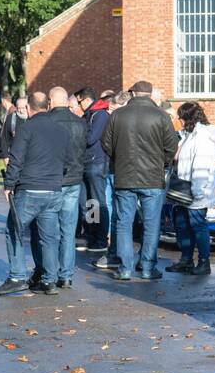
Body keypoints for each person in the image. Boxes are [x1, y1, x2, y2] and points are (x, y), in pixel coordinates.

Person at [0, 91, 80, 296]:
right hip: (53, 191)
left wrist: (8, 185)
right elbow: (70, 160)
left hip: (30, 189)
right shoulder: (61, 130)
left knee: (14, 229)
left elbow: (15, 159)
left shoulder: (26, 129)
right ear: (47, 105)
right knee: (49, 237)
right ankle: (49, 280)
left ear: (29, 108)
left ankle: (17, 276)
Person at [102, 80, 177, 282]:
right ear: (149, 94)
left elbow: (106, 144)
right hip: (152, 178)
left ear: (133, 93)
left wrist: (119, 161)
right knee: (151, 224)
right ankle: (146, 267)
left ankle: (125, 268)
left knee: (124, 223)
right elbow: (172, 146)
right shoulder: (161, 116)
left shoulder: (118, 115)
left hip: (124, 176)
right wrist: (162, 164)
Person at [29, 87, 86, 291]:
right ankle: (66, 275)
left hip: (50, 181)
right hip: (73, 181)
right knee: (68, 231)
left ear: (51, 101)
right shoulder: (81, 122)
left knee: (47, 232)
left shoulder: (46, 122)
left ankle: (47, 272)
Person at [167, 103, 215, 277]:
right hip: (184, 191)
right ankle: (186, 259)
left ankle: (204, 262)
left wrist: (198, 192)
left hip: (197, 191)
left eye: (181, 116)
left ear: (188, 118)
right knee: (182, 225)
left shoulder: (202, 137)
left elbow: (201, 166)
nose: (179, 120)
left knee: (198, 226)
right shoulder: (188, 135)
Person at [93, 91, 131, 272]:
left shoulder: (111, 119)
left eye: (113, 107)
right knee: (103, 206)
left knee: (114, 213)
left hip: (112, 169)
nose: (109, 109)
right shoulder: (101, 115)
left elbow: (100, 141)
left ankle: (110, 248)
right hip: (111, 169)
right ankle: (99, 238)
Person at [76, 87, 111, 256]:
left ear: (86, 99)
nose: (78, 104)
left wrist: (77, 136)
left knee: (98, 201)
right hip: (86, 163)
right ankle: (90, 235)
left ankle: (101, 239)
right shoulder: (88, 115)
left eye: (79, 101)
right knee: (88, 203)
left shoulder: (100, 115)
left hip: (96, 163)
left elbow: (90, 138)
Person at [1, 96, 27, 166]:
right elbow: (4, 138)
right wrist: (5, 157)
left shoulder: (33, 118)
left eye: (23, 108)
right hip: (15, 157)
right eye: (19, 108)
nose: (21, 111)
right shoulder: (11, 118)